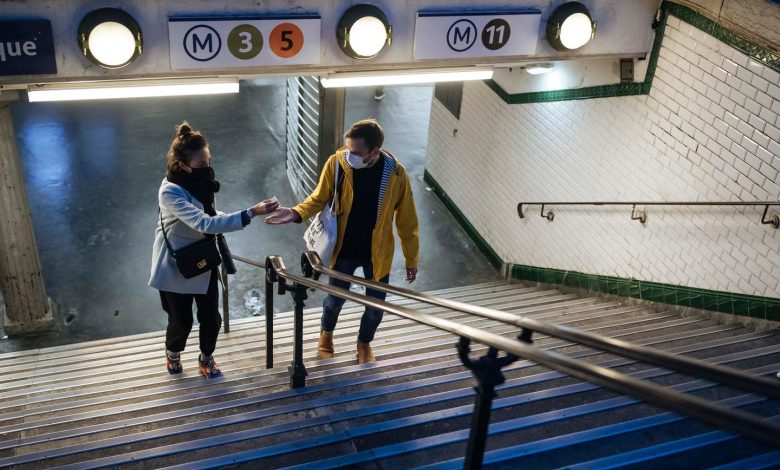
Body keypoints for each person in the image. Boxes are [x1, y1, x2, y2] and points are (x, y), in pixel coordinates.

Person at [266, 119, 419, 364]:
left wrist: (411, 258)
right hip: (343, 250)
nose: (350, 156)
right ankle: (326, 334)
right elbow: (318, 198)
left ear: (374, 151)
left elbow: (407, 220)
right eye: (348, 149)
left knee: (375, 306)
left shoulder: (396, 174)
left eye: (357, 152)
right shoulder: (337, 164)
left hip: (376, 253)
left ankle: (364, 342)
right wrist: (296, 212)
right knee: (334, 300)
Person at [149, 122, 279, 378]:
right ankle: (173, 353)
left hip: (203, 259)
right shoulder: (170, 191)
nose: (207, 168)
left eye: (208, 161)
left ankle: (206, 358)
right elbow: (203, 223)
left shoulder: (201, 181)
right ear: (183, 164)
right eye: (201, 164)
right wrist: (250, 213)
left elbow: (207, 214)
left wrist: (239, 215)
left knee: (211, 317)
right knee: (181, 321)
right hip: (177, 263)